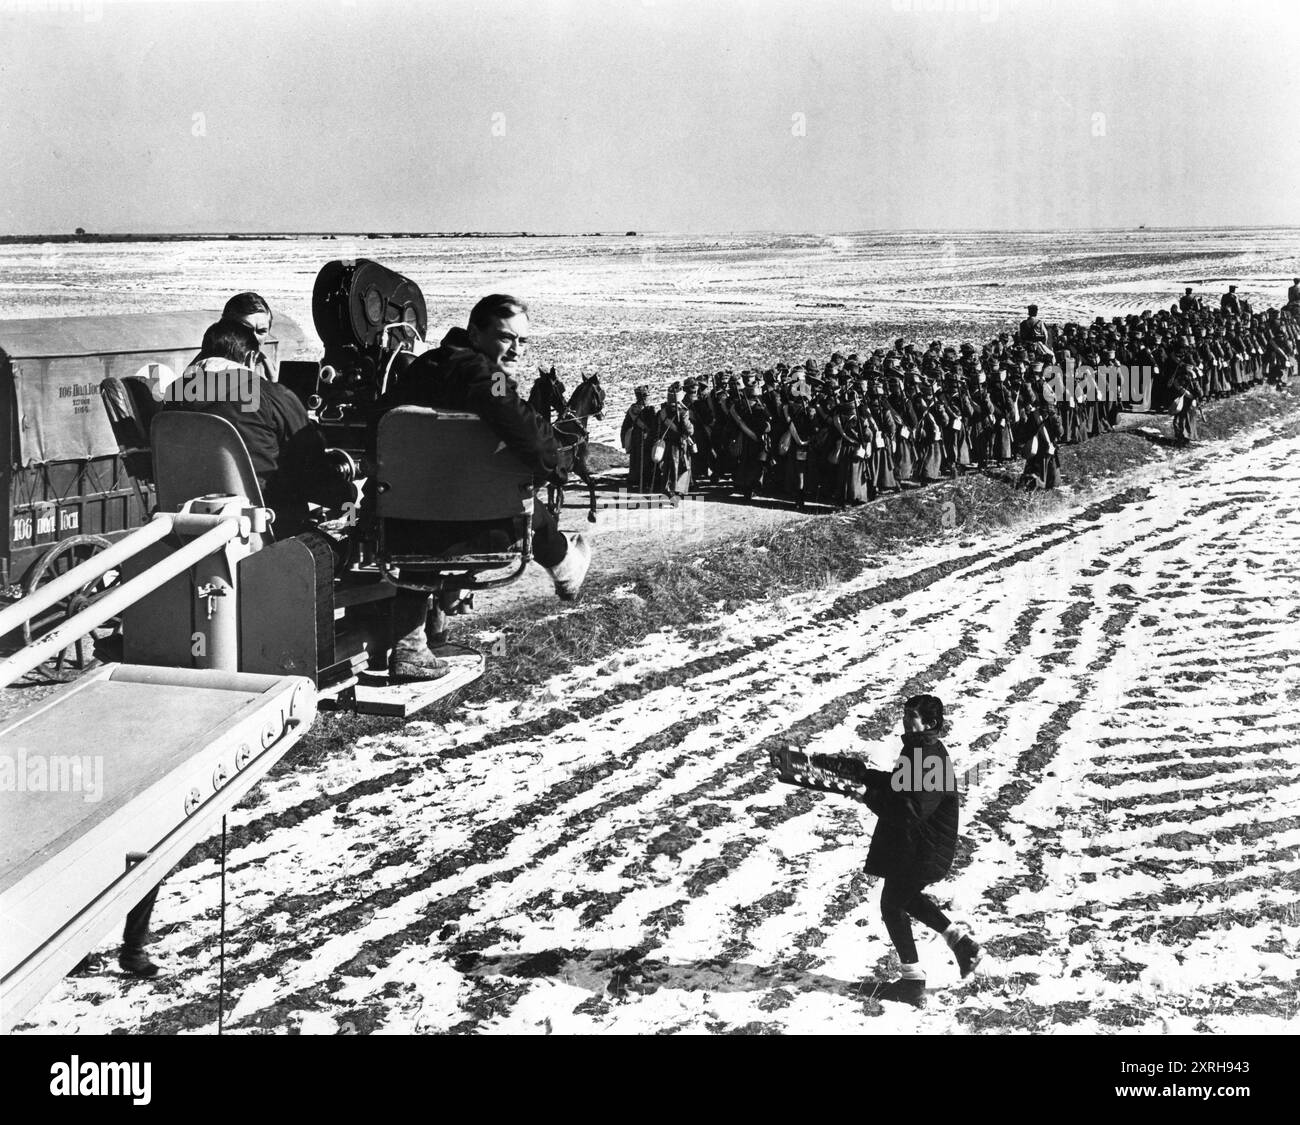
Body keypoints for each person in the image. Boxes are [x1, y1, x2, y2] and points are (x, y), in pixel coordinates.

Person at [385, 295, 592, 666]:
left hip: (402, 529)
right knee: (525, 501)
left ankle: (412, 640)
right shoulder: (490, 379)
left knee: (429, 496)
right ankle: (564, 563)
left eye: (523, 341)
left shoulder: (420, 369)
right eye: (505, 338)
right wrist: (554, 467)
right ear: (475, 333)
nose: (516, 351)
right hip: (483, 529)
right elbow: (537, 446)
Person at [860, 694, 982, 1007]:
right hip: (919, 845)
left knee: (893, 903)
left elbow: (910, 811)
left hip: (925, 849)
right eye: (904, 713)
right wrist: (864, 776)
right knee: (903, 899)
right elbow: (902, 785)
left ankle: (913, 982)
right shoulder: (919, 749)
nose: (904, 720)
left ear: (929, 723)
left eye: (911, 716)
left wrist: (867, 796)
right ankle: (961, 945)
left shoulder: (929, 755)